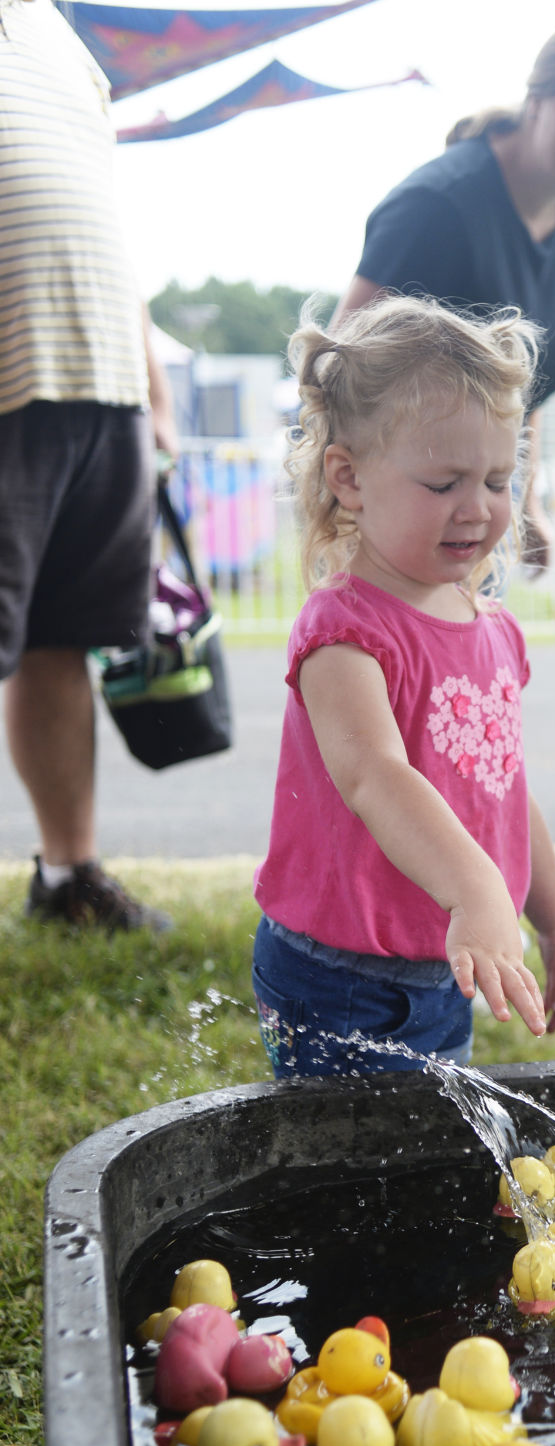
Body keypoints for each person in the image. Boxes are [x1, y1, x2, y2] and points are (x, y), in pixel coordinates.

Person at [251, 294, 555, 1077]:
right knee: (347, 1173)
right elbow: (375, 775)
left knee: (425, 1165)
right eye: (443, 483)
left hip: (445, 963)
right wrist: (478, 889)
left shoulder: (492, 628)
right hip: (339, 974)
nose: (477, 509)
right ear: (350, 477)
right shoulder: (345, 630)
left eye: (498, 480)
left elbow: (504, 789)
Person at [332, 15, 555, 573]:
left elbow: (524, 389)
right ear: (538, 98)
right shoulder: (438, 205)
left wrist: (525, 508)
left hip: (478, 536)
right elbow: (333, 372)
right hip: (400, 543)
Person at [0, 0, 178, 931]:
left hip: (98, 379)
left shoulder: (60, 30)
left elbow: (101, 211)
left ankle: (67, 880)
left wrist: (151, 387)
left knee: (59, 641)